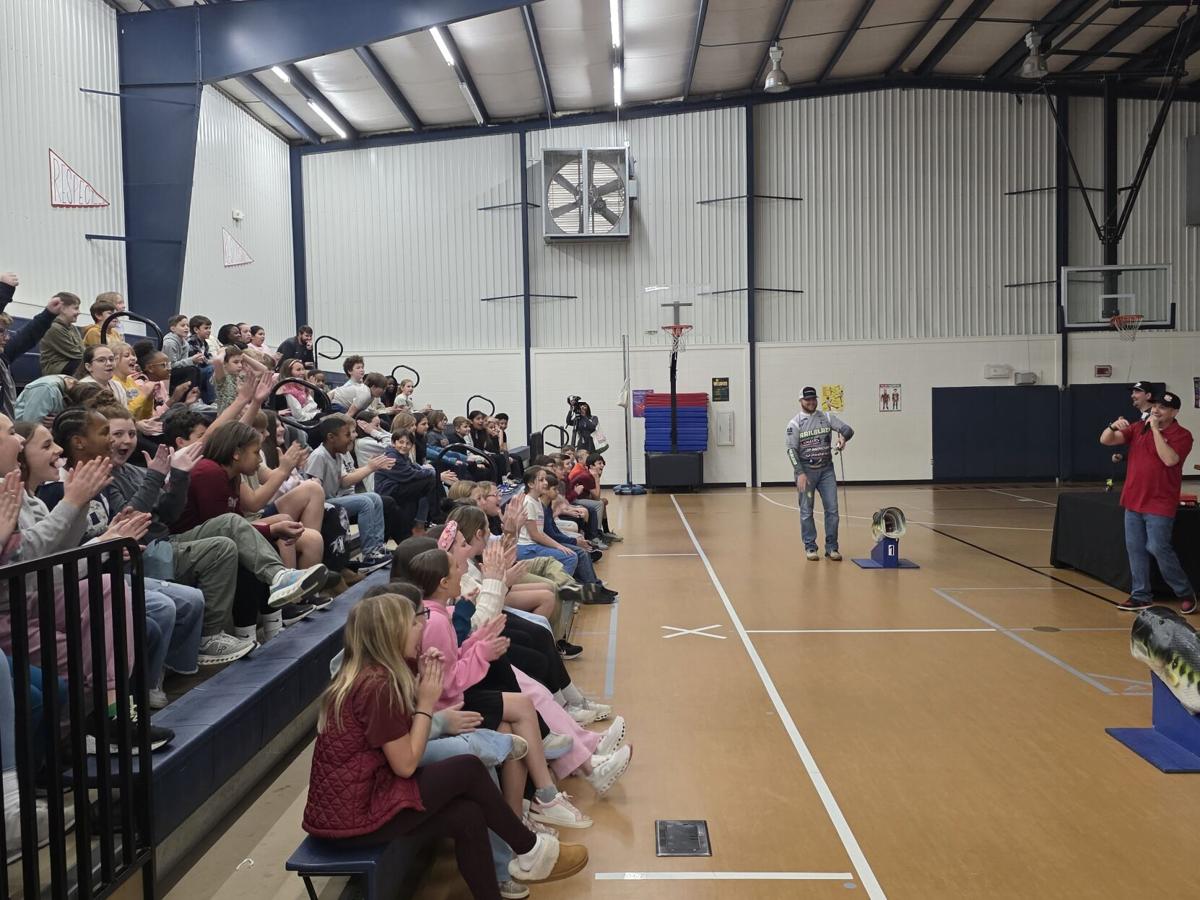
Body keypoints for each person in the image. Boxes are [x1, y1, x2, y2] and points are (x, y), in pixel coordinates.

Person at [302, 592, 588, 898]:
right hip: (354, 816)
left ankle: (505, 877)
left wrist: (424, 682)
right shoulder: (377, 687)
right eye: (414, 622)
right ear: (393, 632)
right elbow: (406, 763)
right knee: (467, 768)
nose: (422, 628)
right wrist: (426, 702)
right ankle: (530, 849)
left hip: (354, 804)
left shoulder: (374, 674)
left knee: (467, 816)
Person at [1100, 389, 1196, 613]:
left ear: (1174, 412)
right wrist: (1113, 426)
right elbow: (1106, 440)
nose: (1156, 411)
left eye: (1162, 408)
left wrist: (1154, 430)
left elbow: (1170, 460)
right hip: (1134, 499)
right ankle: (1141, 595)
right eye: (1155, 407)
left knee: (1157, 546)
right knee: (1135, 549)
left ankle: (1184, 592)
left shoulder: (1182, 435)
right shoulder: (1137, 428)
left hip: (1159, 502)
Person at [304, 414, 394, 571]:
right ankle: (369, 554)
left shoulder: (337, 455)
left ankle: (377, 548)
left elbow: (343, 481)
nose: (351, 438)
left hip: (334, 498)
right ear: (331, 437)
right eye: (347, 435)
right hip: (322, 503)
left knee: (375, 498)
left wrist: (371, 467)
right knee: (365, 503)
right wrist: (369, 467)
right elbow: (313, 489)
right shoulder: (318, 456)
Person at [785, 386, 854, 562]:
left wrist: (842, 438)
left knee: (832, 510)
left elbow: (847, 429)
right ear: (800, 401)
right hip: (807, 475)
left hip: (826, 473)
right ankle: (810, 547)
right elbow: (791, 451)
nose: (811, 402)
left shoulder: (827, 417)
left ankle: (832, 547)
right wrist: (799, 473)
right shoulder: (795, 424)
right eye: (807, 400)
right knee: (806, 511)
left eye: (813, 399)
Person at [0, 286, 61, 419]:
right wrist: (4, 290)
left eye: (6, 331)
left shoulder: (2, 356)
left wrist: (48, 314)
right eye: (0, 331)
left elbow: (25, 337)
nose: (6, 337)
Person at [38, 292, 85, 376]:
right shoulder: (53, 328)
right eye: (76, 308)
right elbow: (76, 354)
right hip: (56, 369)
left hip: (71, 363)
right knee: (88, 364)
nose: (79, 312)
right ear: (62, 309)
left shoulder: (72, 327)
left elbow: (82, 349)